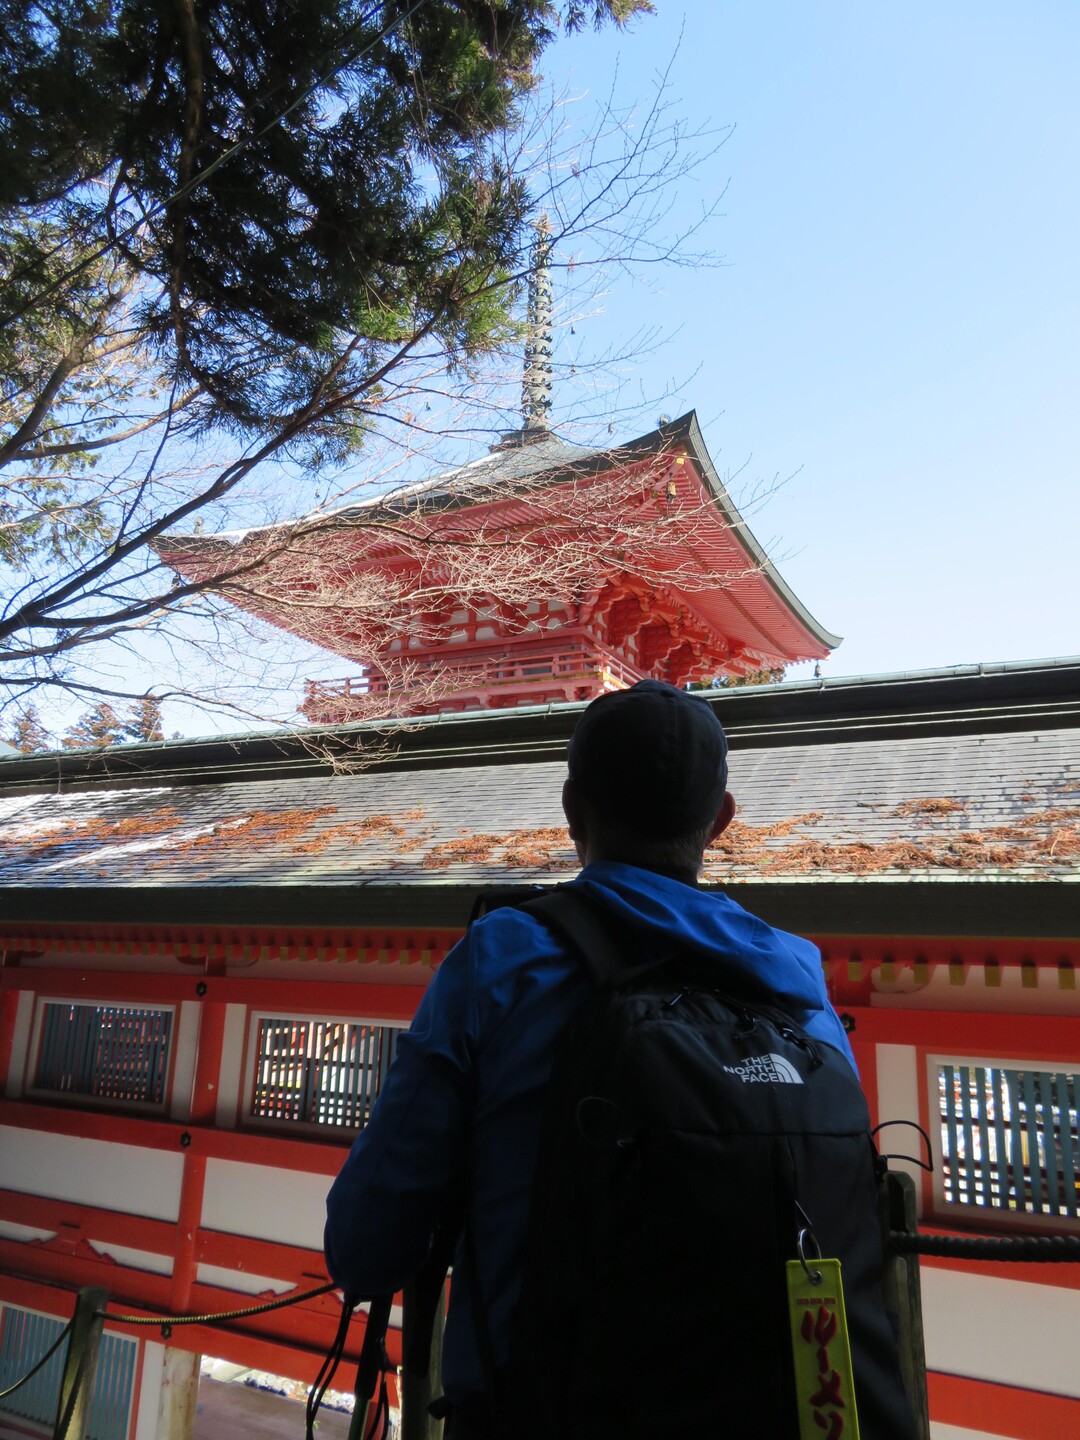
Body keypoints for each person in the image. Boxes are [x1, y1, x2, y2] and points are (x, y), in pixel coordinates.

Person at [324, 680, 862, 1436]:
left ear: (572, 808)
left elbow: (365, 1246)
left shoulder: (504, 961)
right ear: (721, 821)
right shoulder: (802, 990)